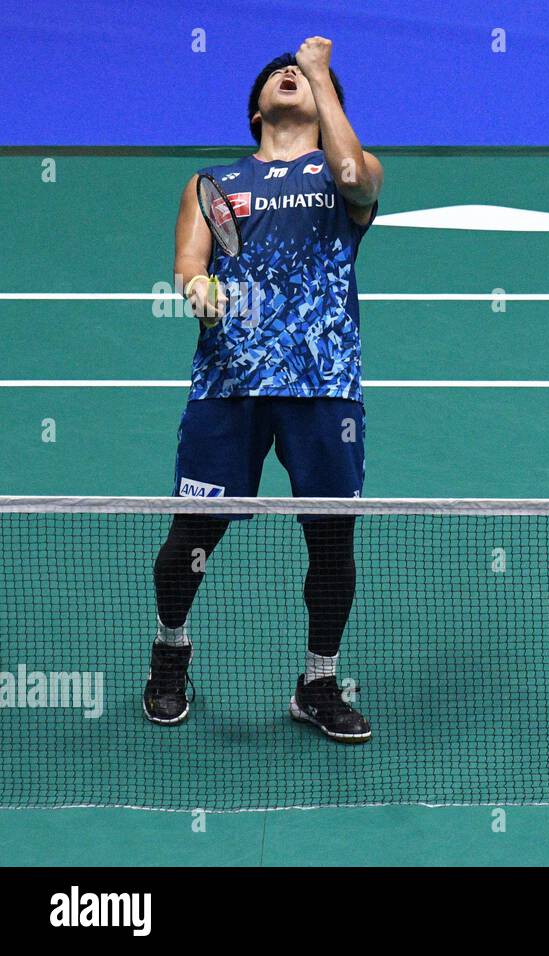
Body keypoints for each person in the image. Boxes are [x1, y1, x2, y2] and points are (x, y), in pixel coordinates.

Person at [142, 37, 383, 743]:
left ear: (323, 99)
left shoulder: (344, 172)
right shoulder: (211, 184)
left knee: (332, 541)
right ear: (255, 109)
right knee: (193, 533)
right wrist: (198, 289)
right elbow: (189, 262)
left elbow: (360, 182)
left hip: (322, 385)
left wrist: (319, 75)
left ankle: (317, 680)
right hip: (229, 384)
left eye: (303, 77)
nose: (289, 73)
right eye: (277, 74)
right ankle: (170, 650)